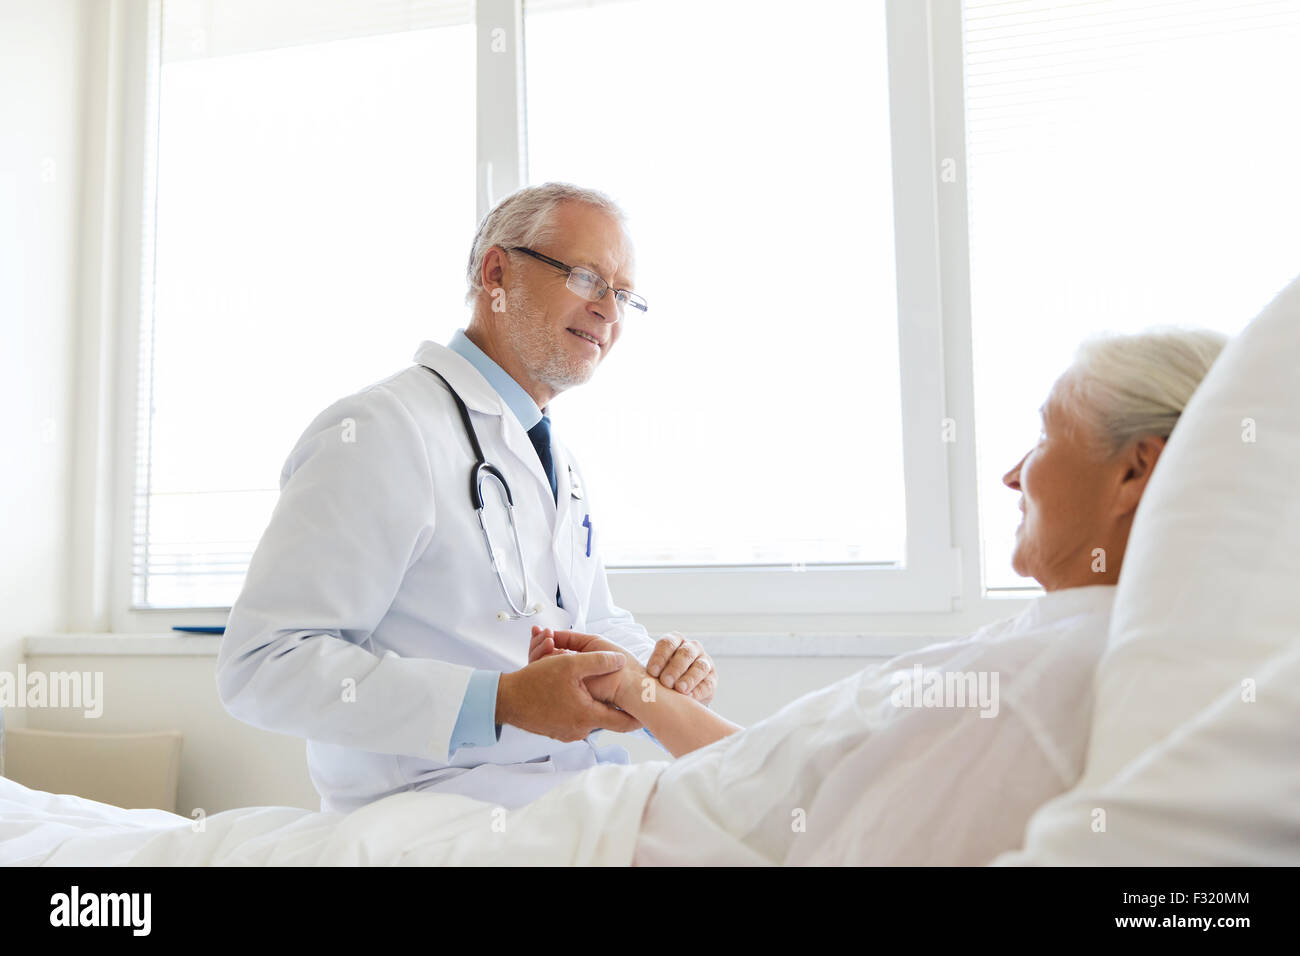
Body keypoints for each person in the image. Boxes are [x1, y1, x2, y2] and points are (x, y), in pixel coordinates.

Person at [531, 327, 1228, 865]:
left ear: (1136, 471)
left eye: (1046, 435)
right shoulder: (1060, 645)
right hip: (610, 819)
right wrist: (636, 691)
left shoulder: (1035, 682)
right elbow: (788, 786)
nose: (1014, 475)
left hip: (605, 841)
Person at [216, 183, 718, 814]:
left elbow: (586, 620)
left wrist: (660, 668)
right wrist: (501, 701)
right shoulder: (384, 428)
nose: (609, 312)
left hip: (569, 799)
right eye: (588, 278)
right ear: (497, 272)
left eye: (623, 294)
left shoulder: (552, 454)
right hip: (435, 817)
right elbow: (262, 666)